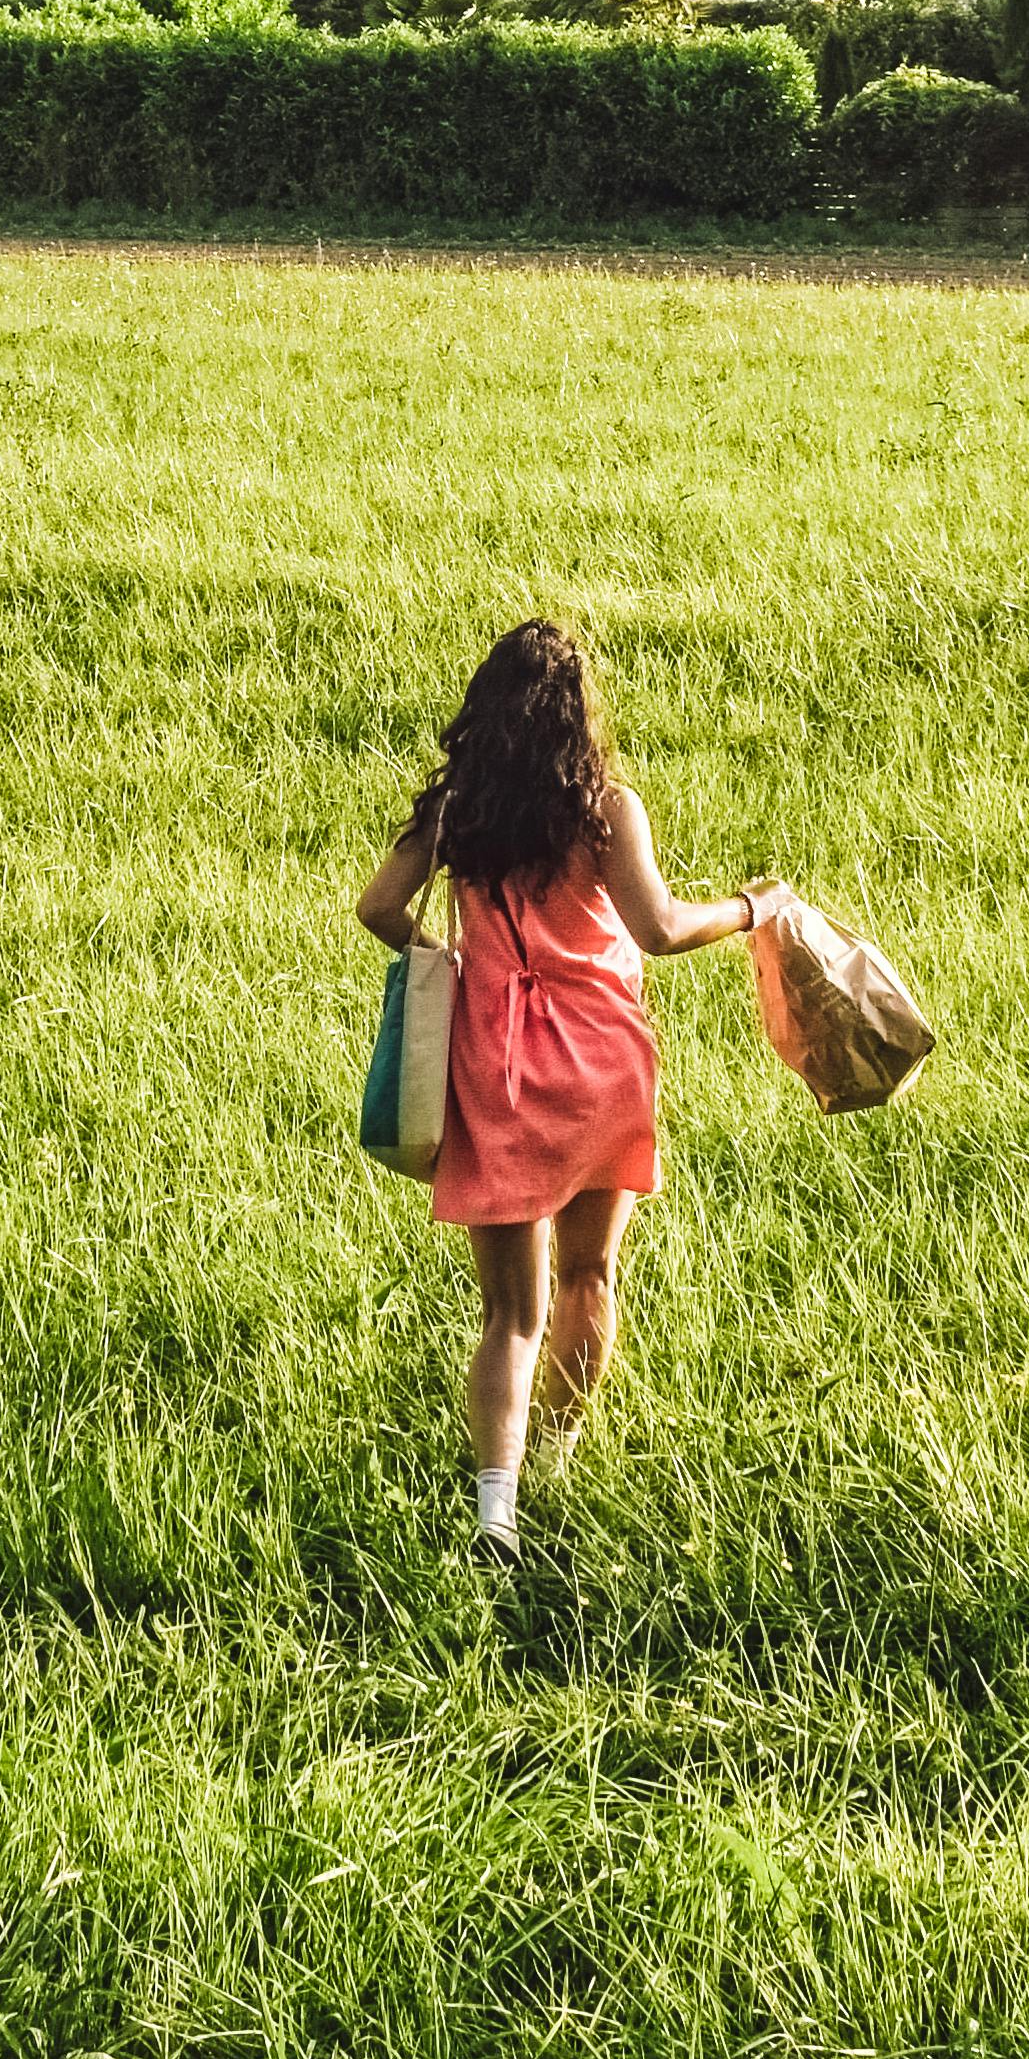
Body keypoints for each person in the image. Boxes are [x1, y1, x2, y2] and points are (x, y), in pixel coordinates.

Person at [353, 619, 776, 1553]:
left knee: (510, 1315)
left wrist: (445, 963)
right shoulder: (606, 811)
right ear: (577, 720)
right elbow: (659, 928)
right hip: (602, 1064)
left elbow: (378, 907)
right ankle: (552, 1459)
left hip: (496, 1067)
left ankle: (496, 1511)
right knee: (591, 1278)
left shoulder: (456, 812)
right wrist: (753, 908)